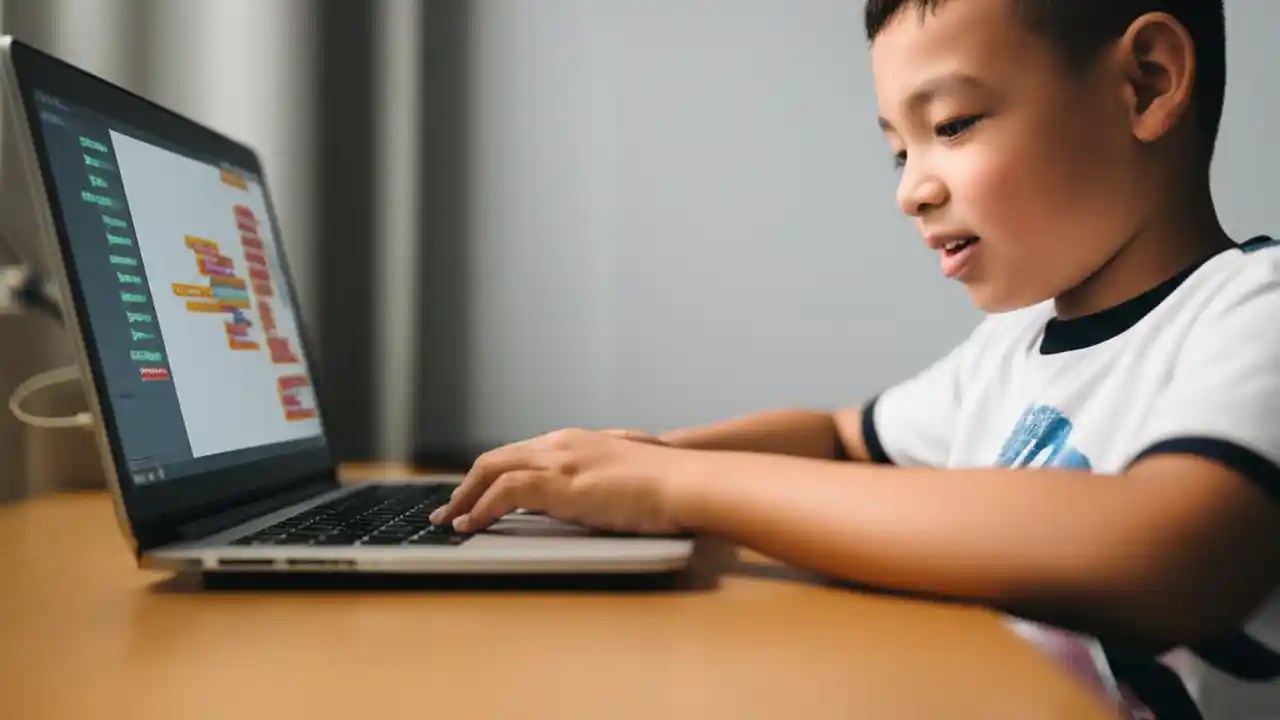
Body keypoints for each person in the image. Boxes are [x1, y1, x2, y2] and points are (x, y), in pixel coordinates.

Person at [430, 0, 1278, 716]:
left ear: (1149, 82)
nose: (911, 188)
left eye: (952, 125)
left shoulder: (1254, 308)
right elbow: (841, 436)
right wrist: (641, 462)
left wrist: (680, 486)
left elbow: (1164, 554)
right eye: (900, 150)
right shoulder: (1008, 351)